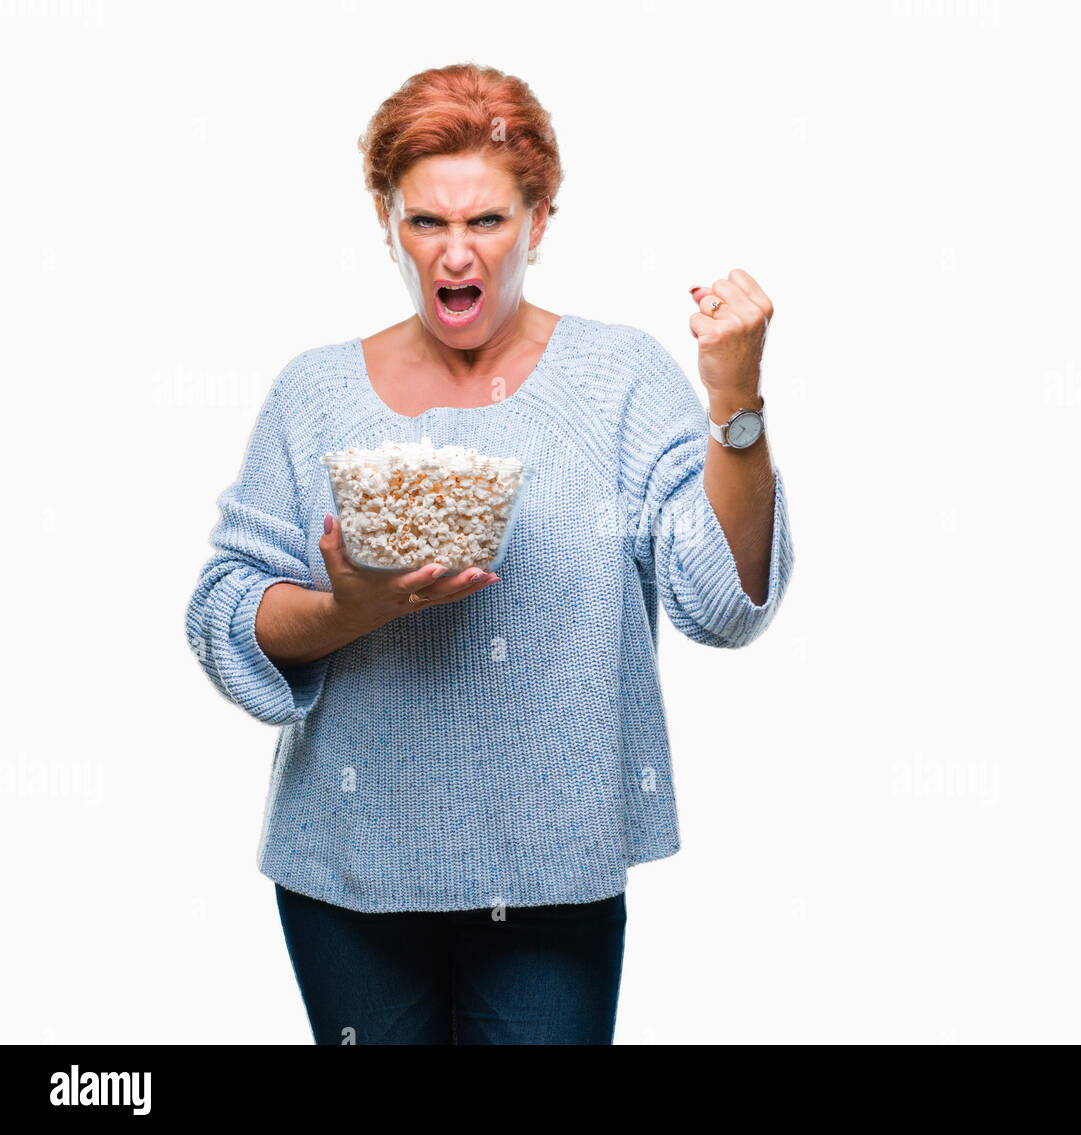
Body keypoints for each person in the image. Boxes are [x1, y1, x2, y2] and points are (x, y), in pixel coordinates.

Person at [184, 62, 795, 1045]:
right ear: (386, 221)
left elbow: (721, 601)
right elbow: (220, 613)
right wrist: (347, 610)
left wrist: (734, 402)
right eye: (426, 222)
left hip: (556, 874)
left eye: (488, 222)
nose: (454, 254)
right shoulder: (314, 394)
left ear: (542, 220)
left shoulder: (621, 379)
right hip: (348, 877)